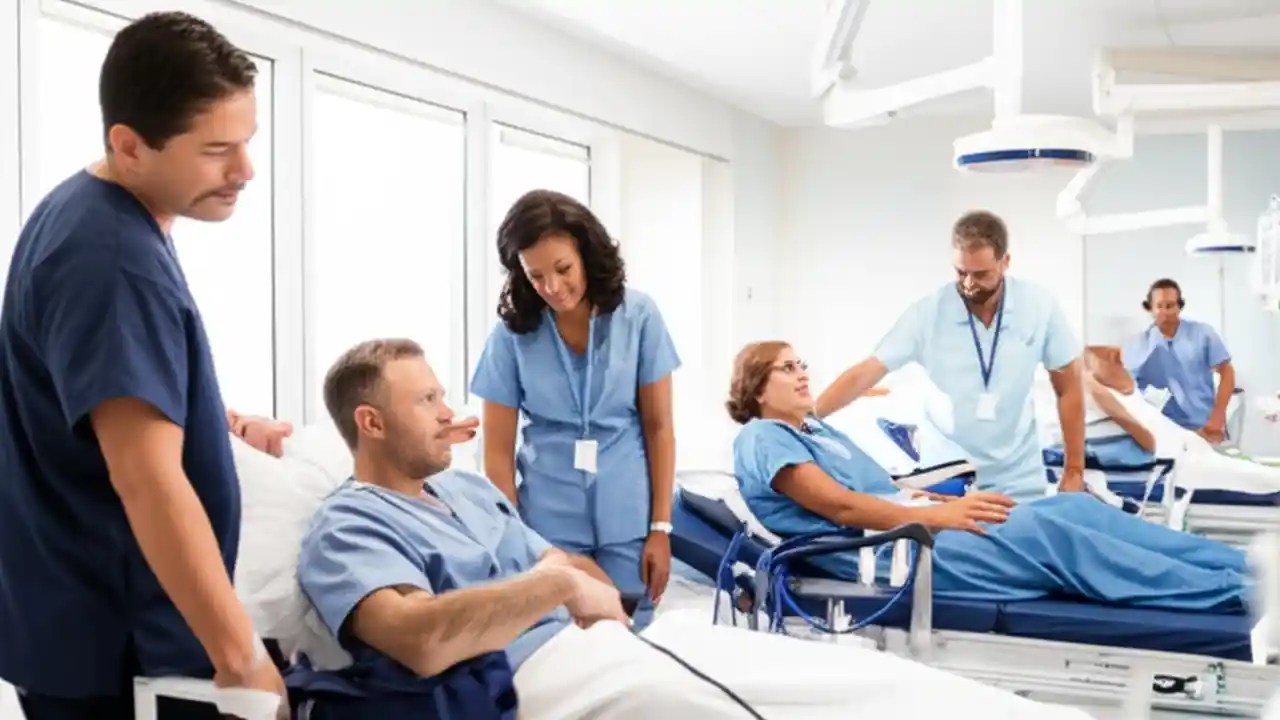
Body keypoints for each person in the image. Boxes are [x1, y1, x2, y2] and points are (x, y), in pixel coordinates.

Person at [295, 338, 1089, 719]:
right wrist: (556, 585)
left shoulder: (468, 493)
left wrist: (579, 581)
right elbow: (419, 638)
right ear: (370, 422)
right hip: (531, 678)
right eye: (426, 402)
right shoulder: (350, 521)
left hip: (621, 638)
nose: (449, 413)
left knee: (866, 688)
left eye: (443, 395)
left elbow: (566, 563)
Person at [0, 12, 288, 720]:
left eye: (247, 143)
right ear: (129, 146)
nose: (245, 171)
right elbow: (148, 482)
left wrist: (209, 422)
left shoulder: (82, 214)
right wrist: (240, 656)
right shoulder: (113, 259)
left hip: (77, 631)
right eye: (217, 149)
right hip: (122, 656)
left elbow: (95, 401)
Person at [730, 341, 1251, 610]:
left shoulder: (817, 430)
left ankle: (1245, 566)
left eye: (802, 363)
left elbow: (881, 487)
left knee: (1072, 508)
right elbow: (842, 507)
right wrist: (941, 515)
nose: (803, 373)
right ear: (756, 388)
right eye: (786, 367)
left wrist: (941, 496)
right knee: (1044, 534)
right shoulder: (762, 437)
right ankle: (1230, 593)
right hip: (890, 551)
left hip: (914, 522)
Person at [470, 190, 680, 629]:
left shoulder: (638, 315)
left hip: (630, 511)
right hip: (548, 518)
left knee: (632, 638)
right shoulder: (512, 335)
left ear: (586, 253)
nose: (552, 287)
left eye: (562, 269)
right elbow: (497, 452)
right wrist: (515, 538)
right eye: (536, 275)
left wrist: (661, 526)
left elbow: (659, 427)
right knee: (566, 647)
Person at [815, 210, 1087, 501]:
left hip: (1018, 477)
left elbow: (1069, 387)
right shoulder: (928, 313)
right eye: (961, 272)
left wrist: (1074, 470)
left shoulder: (1038, 307)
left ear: (1005, 262)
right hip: (947, 475)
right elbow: (867, 372)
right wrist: (808, 417)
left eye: (981, 274)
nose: (969, 283)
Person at [1124, 278, 1236, 443]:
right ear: (1150, 309)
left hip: (1205, 426)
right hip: (1165, 432)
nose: (1165, 312)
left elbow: (1227, 372)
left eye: (1170, 306)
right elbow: (1127, 386)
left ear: (1179, 306)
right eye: (1159, 306)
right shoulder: (1140, 344)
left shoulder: (1202, 334)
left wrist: (1218, 416)